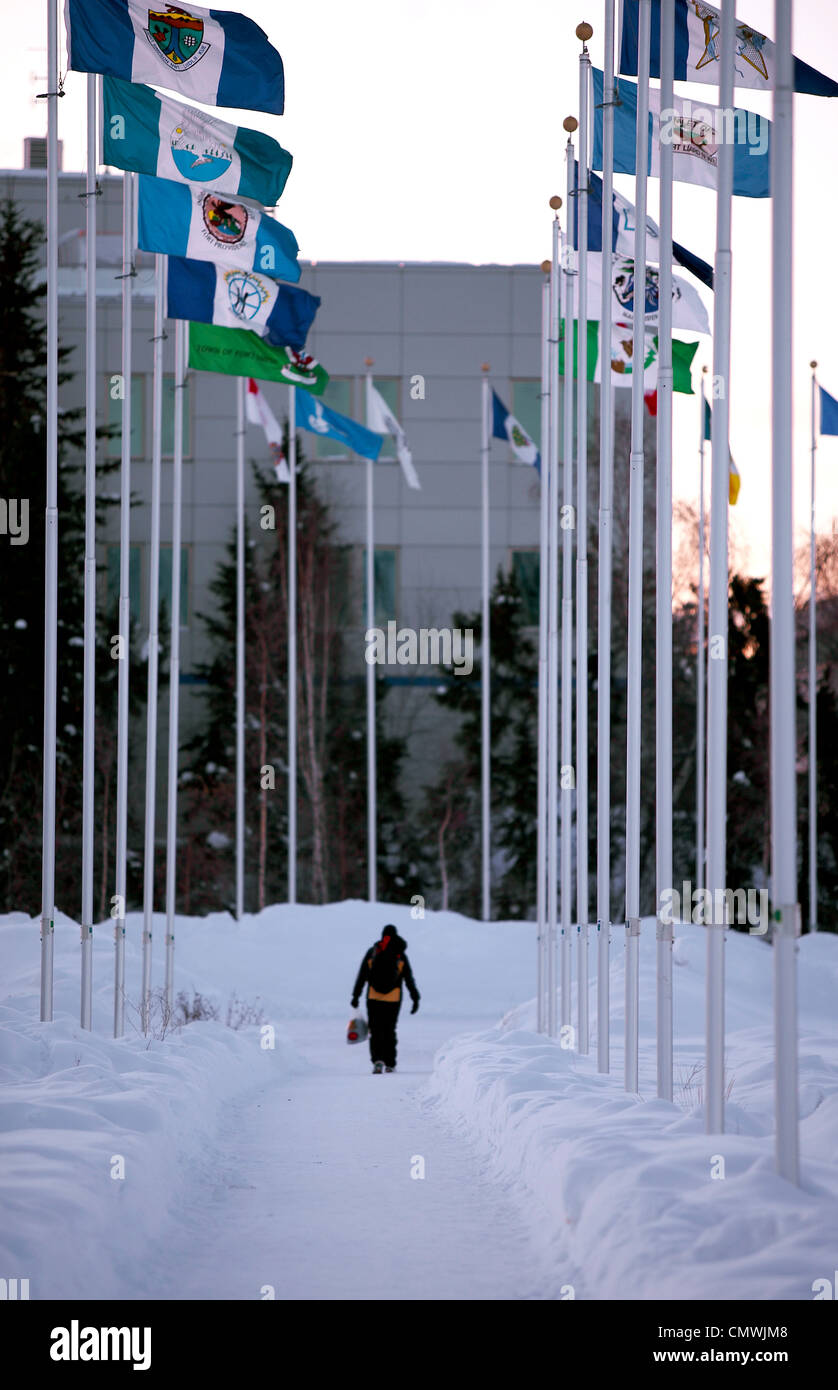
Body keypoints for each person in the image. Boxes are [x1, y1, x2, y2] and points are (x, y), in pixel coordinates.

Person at [351, 925, 420, 1074]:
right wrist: (415, 998)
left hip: (373, 997)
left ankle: (377, 1061)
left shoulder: (373, 952)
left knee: (375, 1030)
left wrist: (355, 996)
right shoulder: (400, 954)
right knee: (389, 1030)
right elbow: (408, 978)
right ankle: (390, 1063)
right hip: (393, 999)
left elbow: (362, 975)